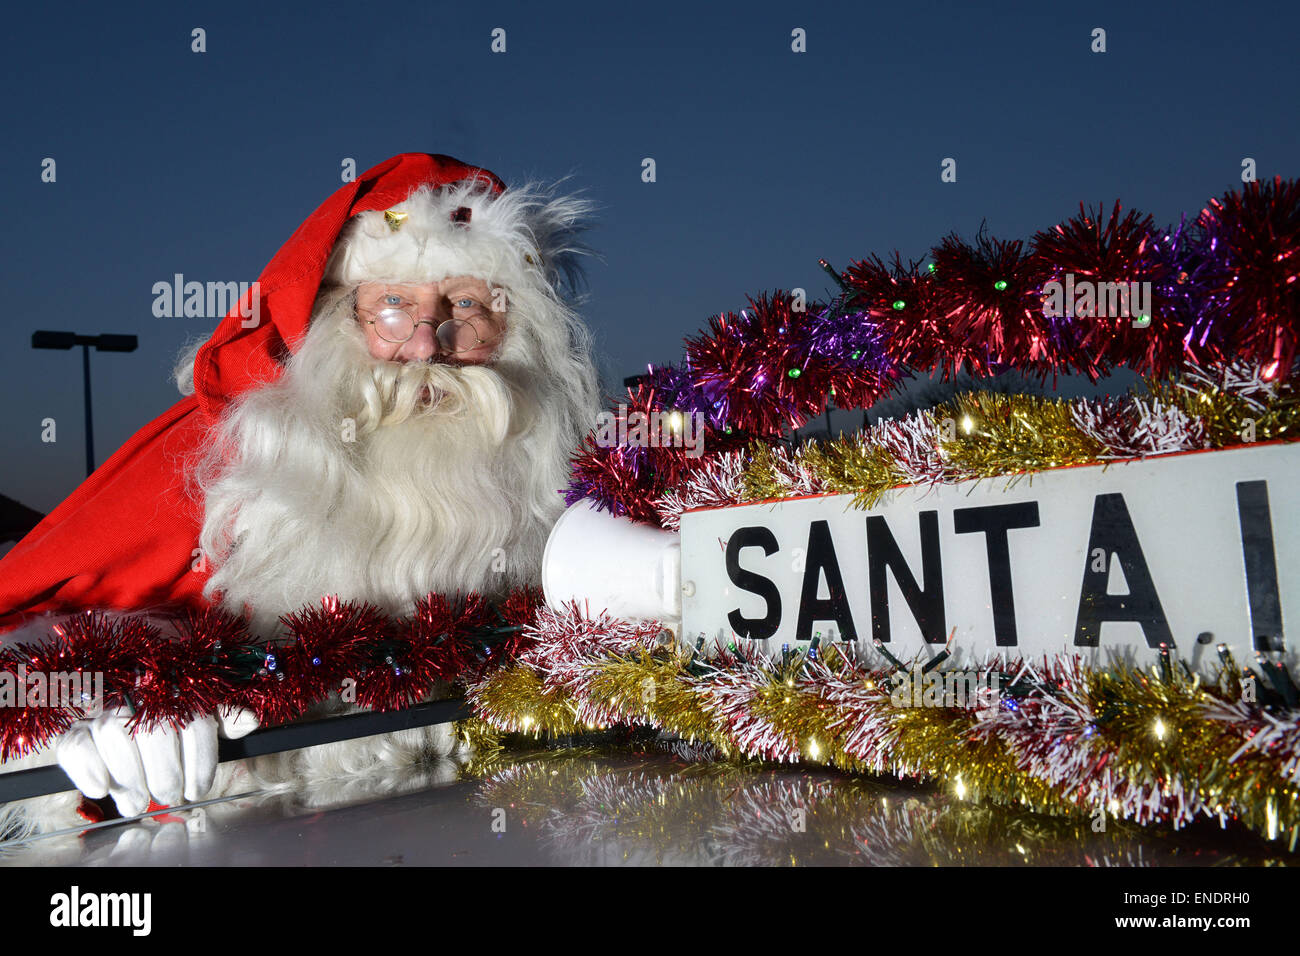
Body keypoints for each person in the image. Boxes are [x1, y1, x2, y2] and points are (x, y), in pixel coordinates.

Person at [0, 153, 603, 835]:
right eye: (393, 307)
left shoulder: (572, 491)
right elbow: (29, 632)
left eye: (467, 305)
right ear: (338, 321)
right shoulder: (230, 464)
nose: (428, 345)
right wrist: (87, 724)